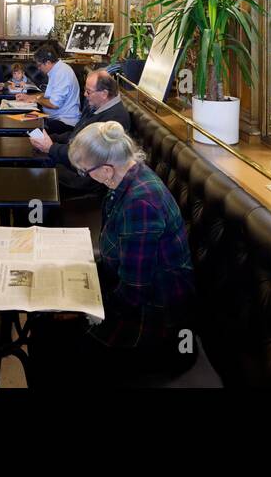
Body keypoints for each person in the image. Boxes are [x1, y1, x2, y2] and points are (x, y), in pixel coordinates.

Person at [28, 122, 196, 386]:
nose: (84, 174)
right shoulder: (127, 180)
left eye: (85, 171)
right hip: (125, 290)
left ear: (106, 169)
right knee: (42, 320)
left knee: (47, 342)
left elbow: (133, 293)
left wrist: (81, 308)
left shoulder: (140, 203)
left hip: (153, 317)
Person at [30, 69, 131, 196]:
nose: (84, 94)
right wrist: (52, 138)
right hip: (77, 165)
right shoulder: (96, 106)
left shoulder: (115, 119)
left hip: (89, 178)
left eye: (88, 91)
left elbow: (86, 157)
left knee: (38, 175)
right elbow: (76, 135)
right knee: (36, 160)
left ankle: (34, 212)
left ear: (104, 93)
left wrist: (51, 148)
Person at [15, 45, 82, 135]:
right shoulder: (57, 70)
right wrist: (29, 97)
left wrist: (36, 99)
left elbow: (54, 104)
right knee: (22, 122)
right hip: (55, 118)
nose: (38, 68)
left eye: (39, 65)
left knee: (27, 130)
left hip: (64, 122)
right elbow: (49, 95)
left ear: (48, 62)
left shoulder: (61, 73)